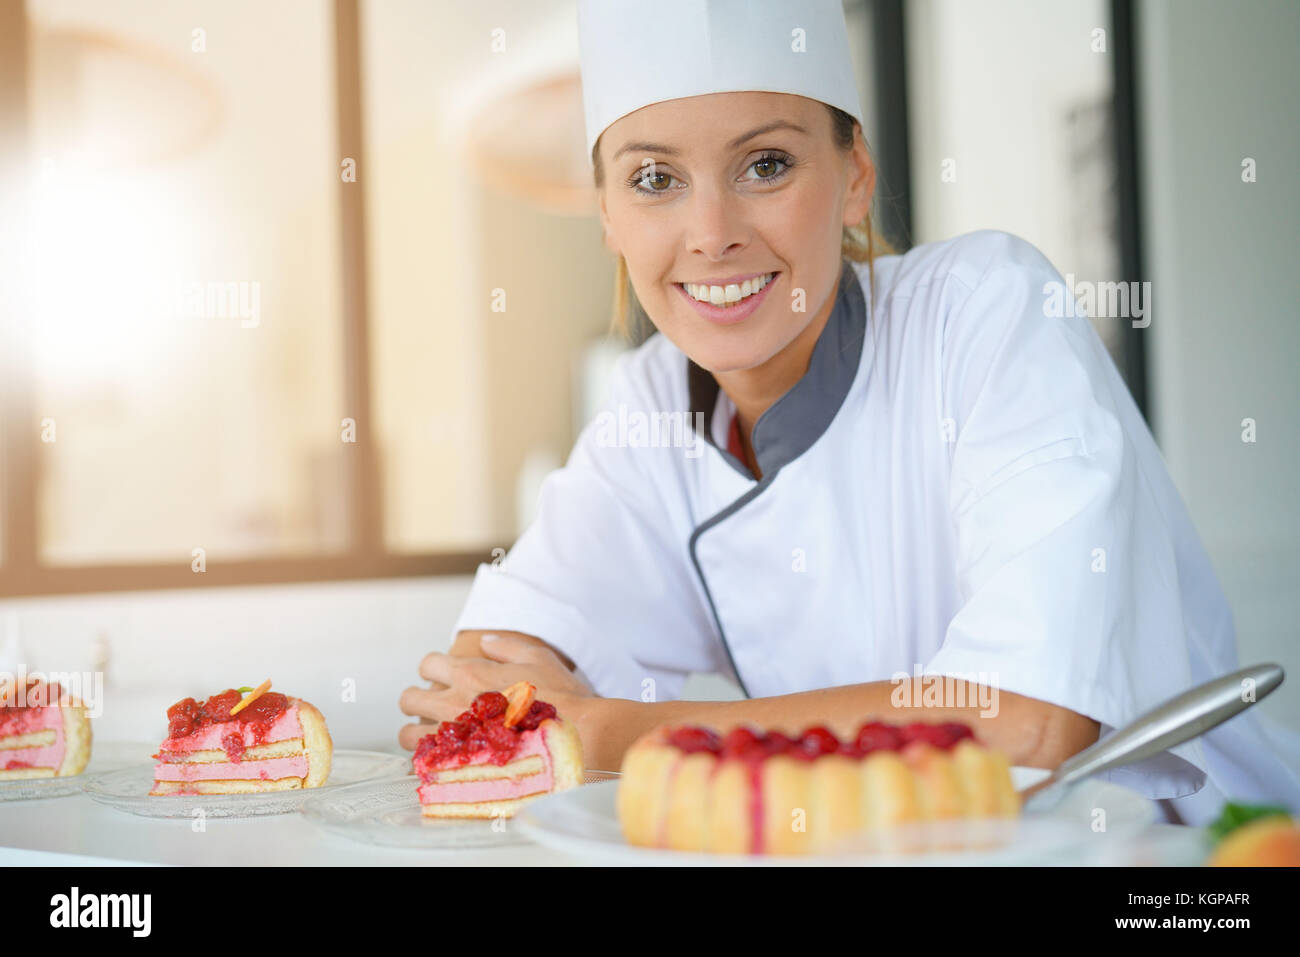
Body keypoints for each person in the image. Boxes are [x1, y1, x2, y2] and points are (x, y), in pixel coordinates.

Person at [399, 0, 1300, 827]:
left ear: (856, 174)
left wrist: (607, 733)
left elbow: (1029, 722)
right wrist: (553, 713)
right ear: (606, 213)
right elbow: (478, 677)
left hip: (1179, 864)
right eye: (654, 179)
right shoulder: (652, 404)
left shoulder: (988, 310)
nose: (711, 232)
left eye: (766, 164)